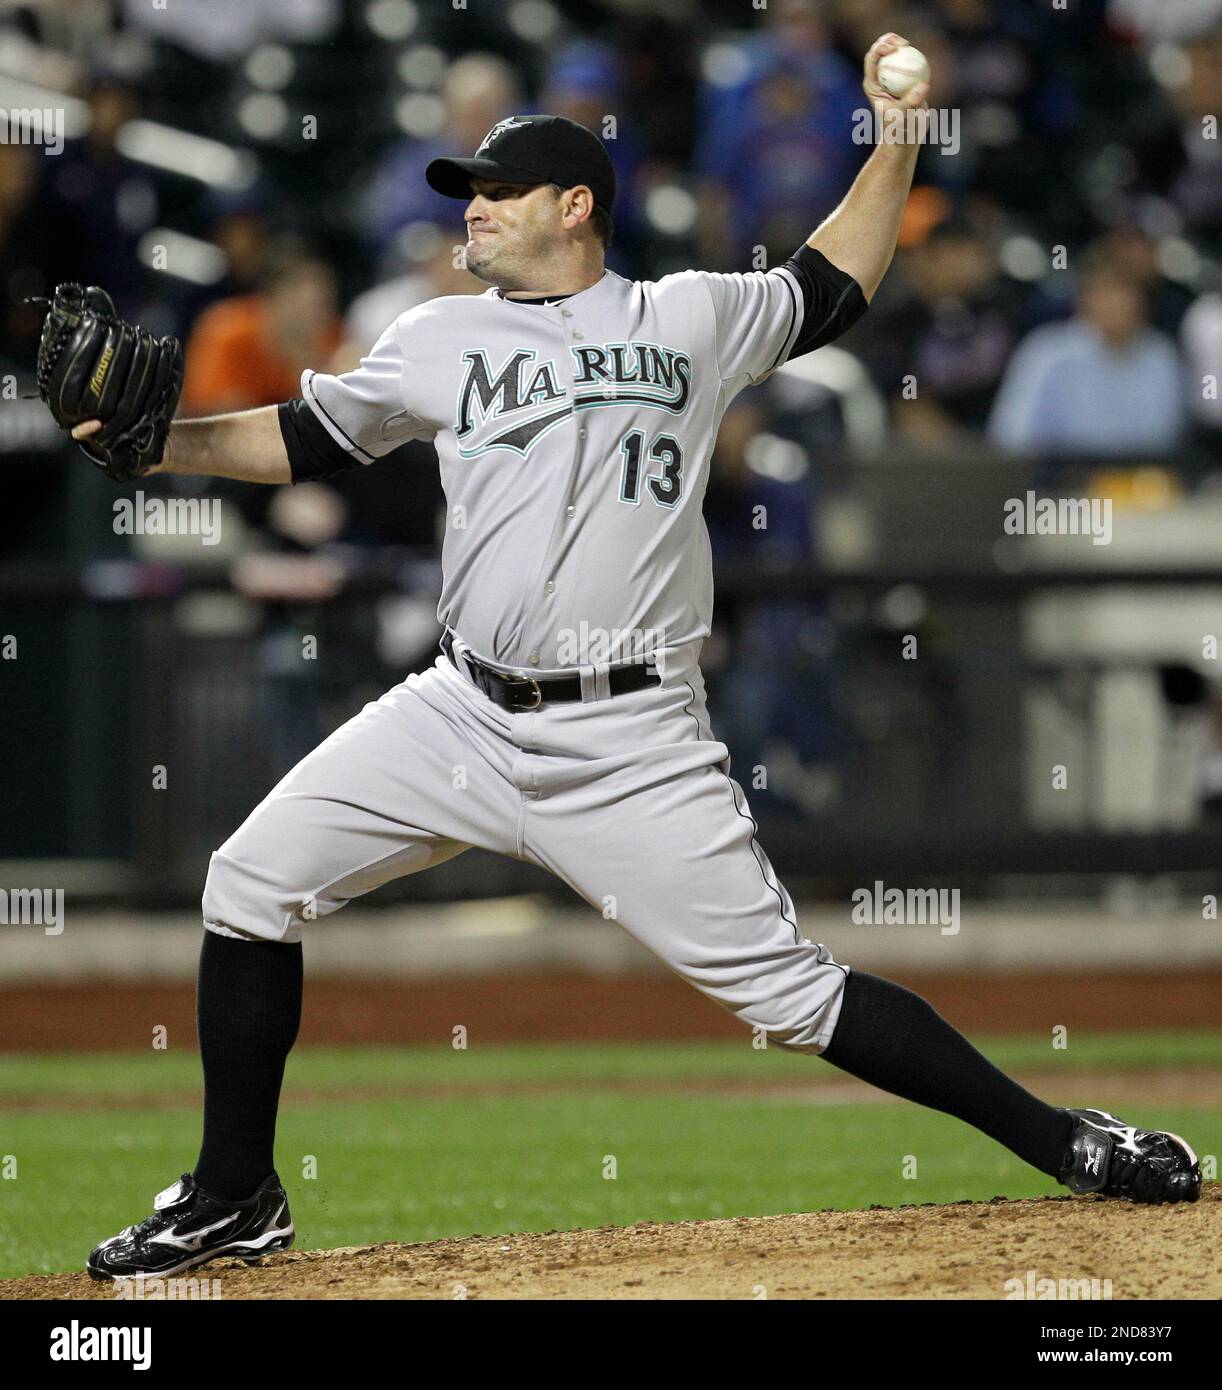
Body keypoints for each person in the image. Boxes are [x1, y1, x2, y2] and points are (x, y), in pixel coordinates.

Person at [67, 36, 1200, 1281]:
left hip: (628, 742)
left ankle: (1064, 1141)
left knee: (794, 998)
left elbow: (837, 280)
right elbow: (301, 441)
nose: (473, 213)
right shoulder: (437, 336)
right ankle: (236, 1195)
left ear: (575, 205)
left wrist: (894, 133)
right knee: (248, 881)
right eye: (464, 195)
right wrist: (152, 446)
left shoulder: (689, 316)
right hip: (459, 710)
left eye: (494, 193)